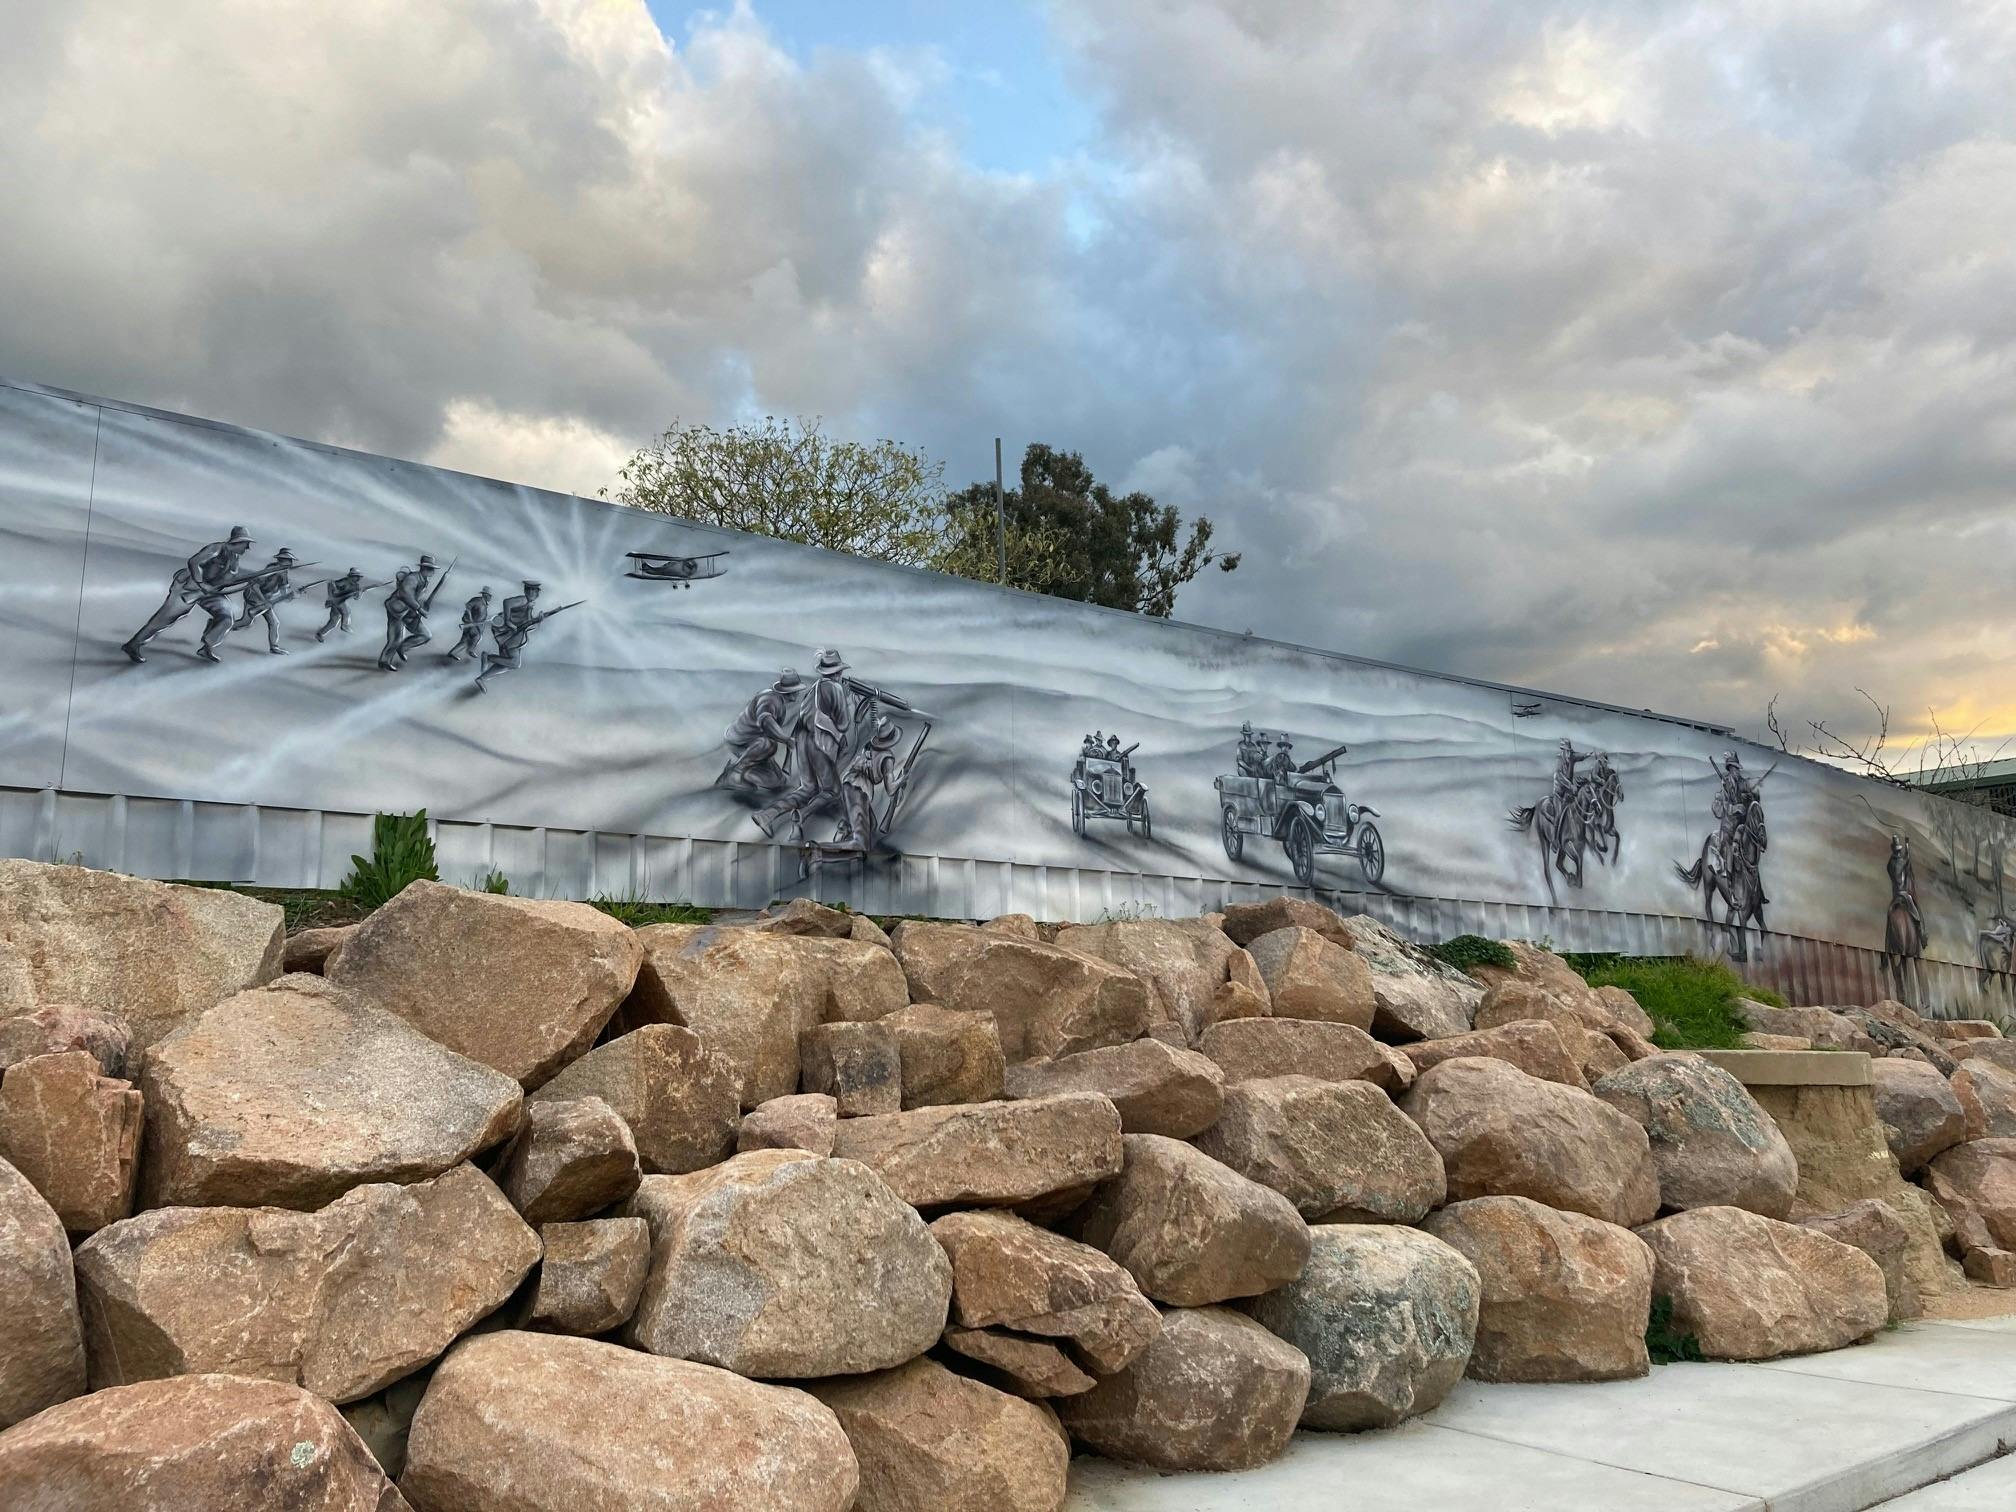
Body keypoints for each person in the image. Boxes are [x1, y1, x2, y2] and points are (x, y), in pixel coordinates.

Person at [754, 649, 854, 838]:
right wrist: (847, 701)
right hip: (820, 744)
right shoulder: (836, 689)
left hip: (803, 740)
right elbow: (843, 724)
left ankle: (767, 814)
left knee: (807, 788)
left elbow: (804, 716)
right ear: (838, 671)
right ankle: (803, 814)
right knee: (832, 790)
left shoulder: (814, 688)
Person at [120, 525, 252, 663]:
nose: (247, 548)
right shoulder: (216, 549)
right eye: (246, 544)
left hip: (210, 591)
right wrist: (201, 584)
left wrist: (249, 580)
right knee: (163, 619)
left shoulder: (235, 558)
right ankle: (133, 645)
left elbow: (228, 579)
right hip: (187, 588)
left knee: (226, 617)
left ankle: (207, 647)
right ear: (237, 542)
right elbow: (194, 562)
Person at [722, 669, 805, 788]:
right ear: (790, 692)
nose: (797, 693)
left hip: (755, 745)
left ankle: (744, 777)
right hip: (740, 741)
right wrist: (786, 740)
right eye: (796, 690)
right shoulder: (770, 698)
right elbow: (766, 721)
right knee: (769, 745)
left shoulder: (780, 704)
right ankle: (734, 774)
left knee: (777, 781)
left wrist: (788, 748)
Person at [836, 716, 905, 850]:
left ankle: (840, 843)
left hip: (848, 785)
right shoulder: (887, 758)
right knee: (861, 844)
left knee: (871, 826)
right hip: (858, 789)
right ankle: (819, 851)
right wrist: (903, 779)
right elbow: (890, 789)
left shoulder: (869, 745)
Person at [474, 580, 543, 692]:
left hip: (514, 636)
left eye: (534, 591)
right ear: (526, 590)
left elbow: (527, 622)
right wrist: (508, 621)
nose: (532, 593)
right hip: (509, 634)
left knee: (506, 663)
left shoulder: (529, 604)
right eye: (530, 590)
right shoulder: (523, 600)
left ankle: (482, 678)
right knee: (514, 663)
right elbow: (507, 602)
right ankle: (488, 658)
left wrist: (538, 620)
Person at [229, 548, 298, 655]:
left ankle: (274, 647)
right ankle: (220, 627)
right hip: (254, 596)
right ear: (280, 560)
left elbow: (284, 593)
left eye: (290, 560)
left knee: (256, 622)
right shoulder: (270, 570)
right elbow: (255, 587)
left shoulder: (284, 573)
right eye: (286, 560)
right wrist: (264, 601)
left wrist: (291, 596)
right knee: (251, 622)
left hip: (264, 600)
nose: (289, 563)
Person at [377, 555, 437, 670]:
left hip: (410, 612)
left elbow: (417, 597)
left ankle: (403, 647)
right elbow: (406, 595)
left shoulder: (424, 581)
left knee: (425, 635)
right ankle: (384, 661)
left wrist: (422, 607)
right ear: (424, 568)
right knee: (395, 639)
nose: (433, 571)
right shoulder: (412, 578)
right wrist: (419, 609)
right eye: (431, 568)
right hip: (397, 611)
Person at [444, 587, 493, 662]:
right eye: (489, 595)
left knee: (465, 640)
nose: (490, 598)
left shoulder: (485, 603)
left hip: (476, 624)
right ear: (485, 595)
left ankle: (453, 653)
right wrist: (470, 620)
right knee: (476, 636)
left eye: (490, 596)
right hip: (470, 624)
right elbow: (468, 607)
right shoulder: (477, 600)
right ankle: (470, 650)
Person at [316, 569, 366, 641]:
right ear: (351, 576)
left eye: (358, 577)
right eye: (356, 576)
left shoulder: (356, 586)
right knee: (347, 611)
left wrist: (361, 592)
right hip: (337, 602)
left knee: (333, 623)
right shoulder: (344, 581)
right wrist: (330, 597)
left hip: (339, 603)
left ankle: (320, 634)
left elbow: (356, 598)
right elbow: (331, 584)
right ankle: (345, 625)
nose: (357, 578)